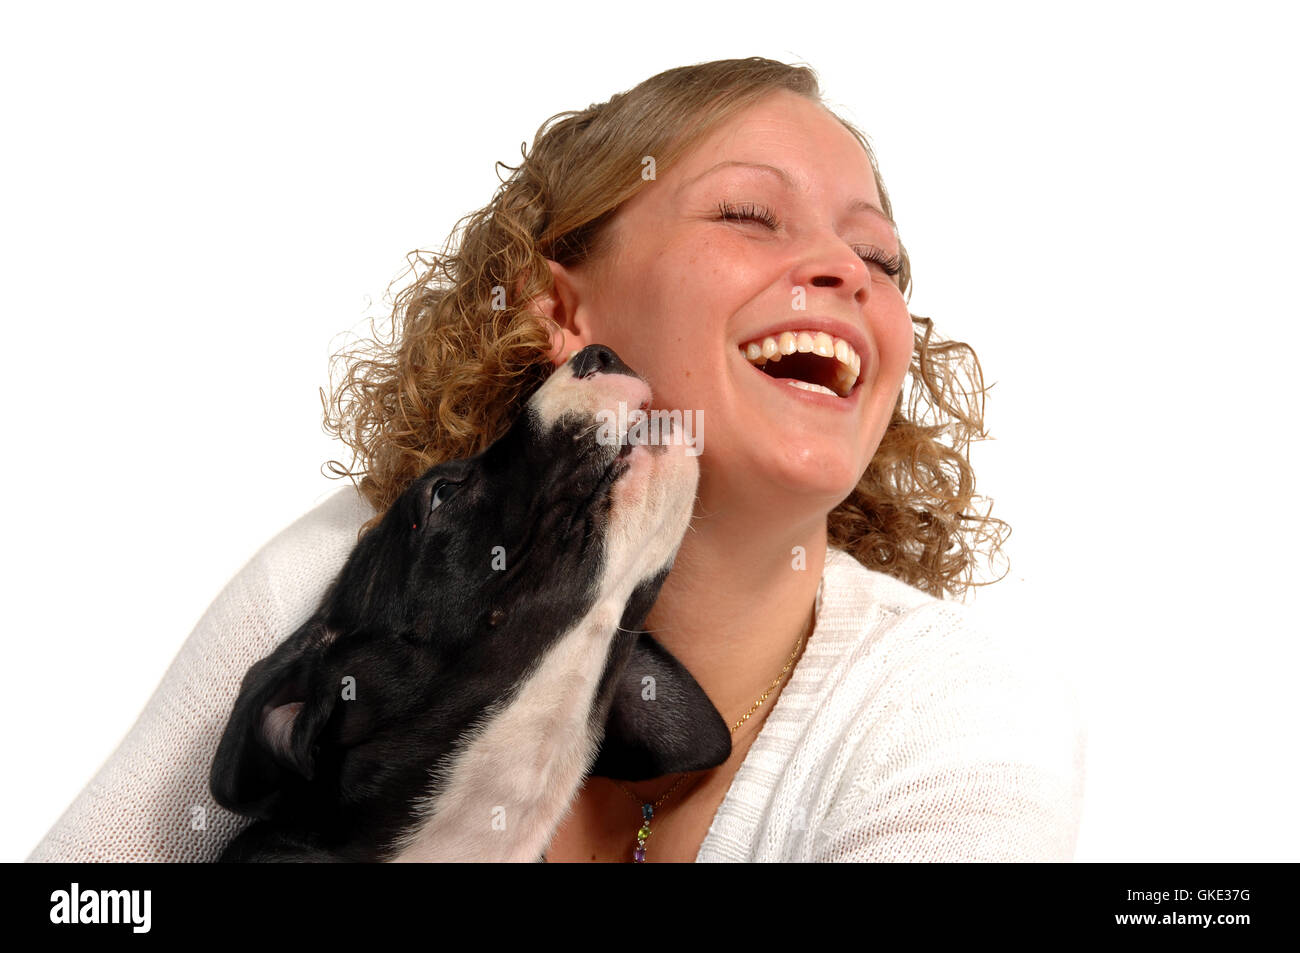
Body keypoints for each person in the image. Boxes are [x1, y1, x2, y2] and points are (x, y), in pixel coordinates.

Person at [28, 56, 1084, 863]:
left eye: (879, 256)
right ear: (564, 311)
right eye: (749, 215)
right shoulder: (354, 568)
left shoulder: (950, 717)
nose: (844, 270)